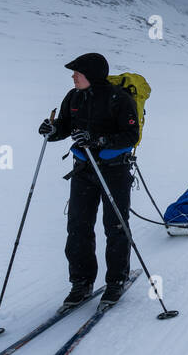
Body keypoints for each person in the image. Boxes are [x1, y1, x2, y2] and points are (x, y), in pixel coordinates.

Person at [38, 53, 140, 309]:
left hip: (114, 170)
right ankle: (81, 283)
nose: (73, 76)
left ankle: (116, 281)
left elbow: (131, 135)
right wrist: (51, 132)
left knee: (115, 226)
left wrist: (99, 140)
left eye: (78, 73)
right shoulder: (73, 97)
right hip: (83, 170)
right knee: (78, 226)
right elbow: (63, 126)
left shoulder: (120, 99)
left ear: (92, 75)